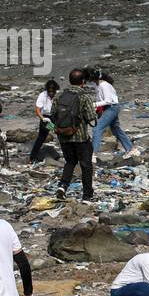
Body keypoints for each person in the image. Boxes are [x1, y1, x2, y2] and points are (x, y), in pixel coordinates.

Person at [54, 68, 97, 201]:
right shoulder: (84, 96)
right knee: (86, 165)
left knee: (70, 162)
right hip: (80, 137)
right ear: (83, 81)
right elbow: (91, 117)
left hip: (63, 136)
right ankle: (87, 196)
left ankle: (62, 186)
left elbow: (52, 115)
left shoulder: (59, 96)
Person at [91, 69, 136, 158]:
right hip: (109, 108)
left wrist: (93, 105)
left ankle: (93, 154)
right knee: (116, 129)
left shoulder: (104, 85)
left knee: (97, 129)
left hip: (112, 107)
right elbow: (100, 99)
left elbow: (108, 100)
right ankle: (131, 149)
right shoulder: (98, 85)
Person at [29, 80, 60, 163]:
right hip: (45, 118)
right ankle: (33, 157)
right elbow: (38, 110)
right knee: (42, 137)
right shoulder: (42, 95)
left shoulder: (58, 94)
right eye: (49, 91)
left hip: (55, 116)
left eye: (53, 92)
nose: (51, 94)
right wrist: (43, 118)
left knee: (61, 134)